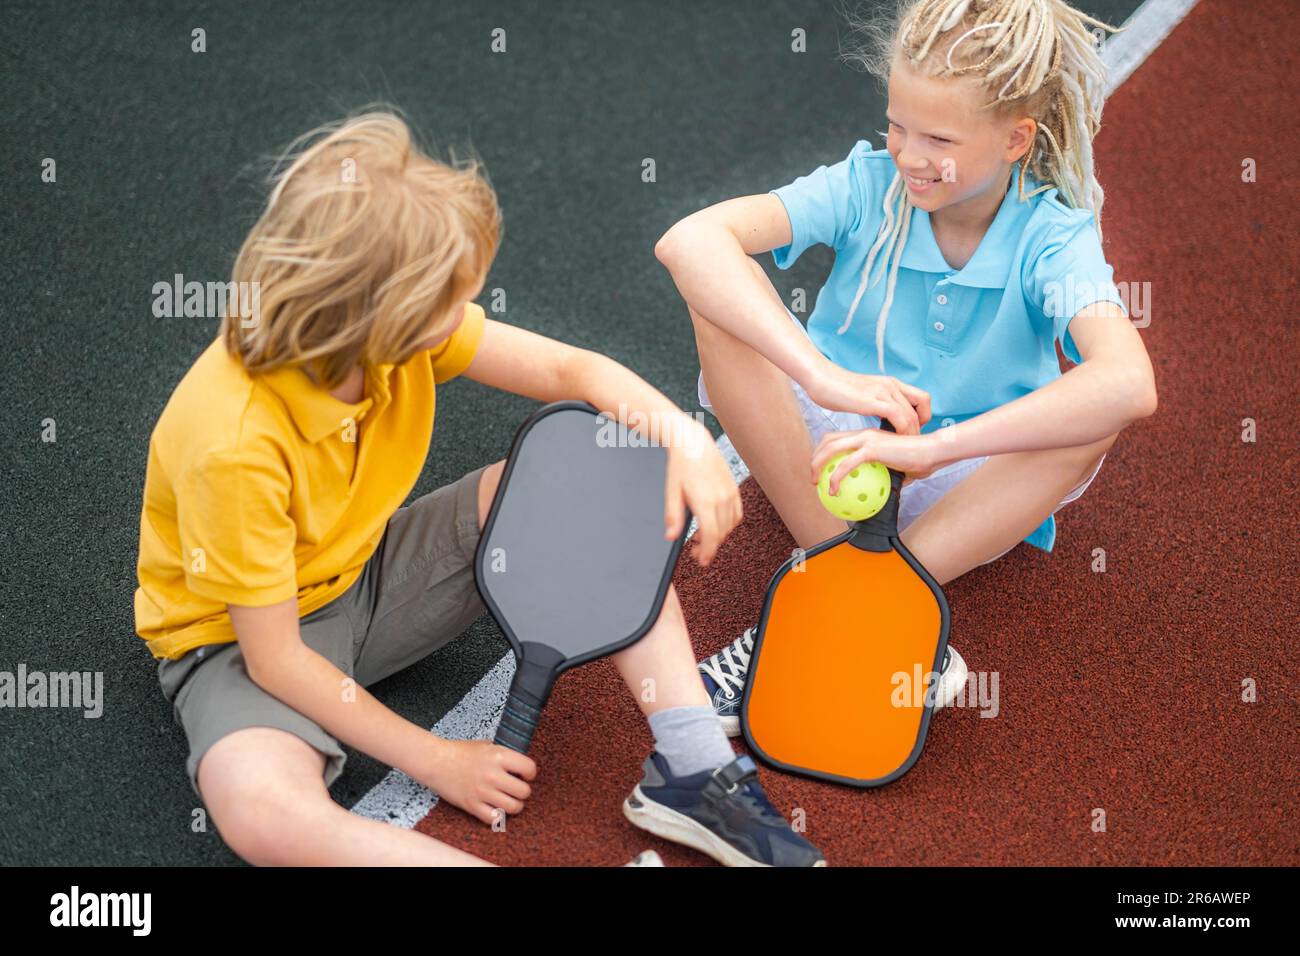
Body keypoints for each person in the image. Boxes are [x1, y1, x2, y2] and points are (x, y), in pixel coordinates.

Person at [134, 111, 824, 867]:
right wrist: (434, 758)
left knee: (591, 478)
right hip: (240, 642)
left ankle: (693, 769)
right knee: (266, 819)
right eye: (445, 305)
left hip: (362, 577)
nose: (465, 310)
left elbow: (573, 373)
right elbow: (279, 663)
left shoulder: (371, 335)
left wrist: (683, 434)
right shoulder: (231, 443)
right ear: (378, 318)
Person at [654, 0, 1157, 732]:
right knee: (719, 305)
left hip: (959, 485)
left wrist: (929, 448)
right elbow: (690, 241)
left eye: (939, 138)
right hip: (832, 446)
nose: (909, 155)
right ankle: (883, 605)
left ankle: (847, 597)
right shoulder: (867, 185)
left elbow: (1130, 382)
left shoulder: (1053, 238)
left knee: (1088, 424)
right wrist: (825, 378)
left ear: (1016, 139)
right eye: (898, 125)